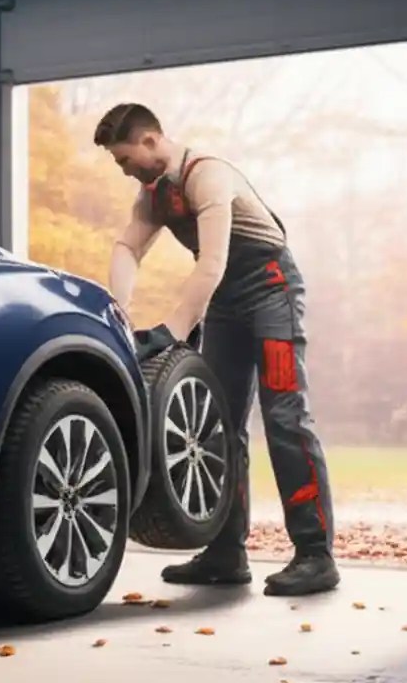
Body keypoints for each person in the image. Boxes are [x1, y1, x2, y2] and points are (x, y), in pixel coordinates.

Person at [95, 102, 339, 596]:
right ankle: (227, 551)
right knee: (216, 426)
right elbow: (128, 249)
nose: (124, 171)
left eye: (124, 159)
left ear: (149, 141)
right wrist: (120, 313)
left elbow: (212, 262)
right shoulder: (153, 195)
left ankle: (316, 555)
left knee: (286, 417)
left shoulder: (208, 175)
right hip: (226, 302)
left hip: (272, 289)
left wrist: (175, 329)